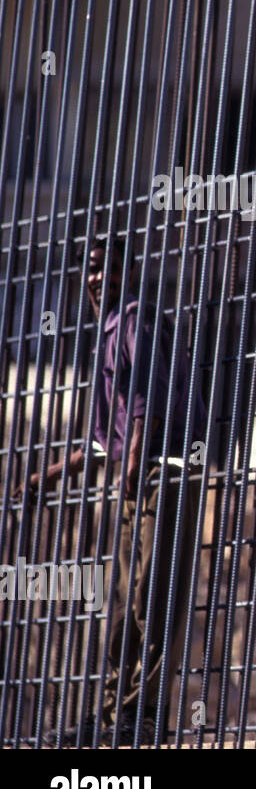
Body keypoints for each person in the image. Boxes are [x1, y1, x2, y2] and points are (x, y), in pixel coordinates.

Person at [15, 236, 204, 744]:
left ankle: (141, 716)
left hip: (163, 474)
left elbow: (149, 396)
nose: (102, 278)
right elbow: (104, 439)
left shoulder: (137, 317)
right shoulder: (109, 331)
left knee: (150, 597)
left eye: (111, 268)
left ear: (129, 272)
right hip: (137, 477)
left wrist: (137, 454)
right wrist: (52, 474)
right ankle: (112, 717)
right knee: (125, 601)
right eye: (94, 270)